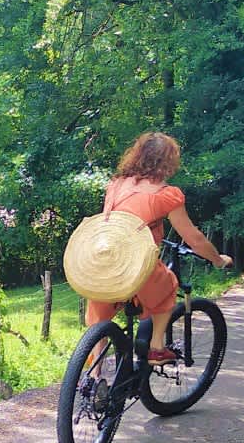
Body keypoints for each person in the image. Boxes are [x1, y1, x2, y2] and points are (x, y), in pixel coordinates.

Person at [86, 132, 232, 363]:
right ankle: (156, 348)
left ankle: (94, 375)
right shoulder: (166, 195)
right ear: (168, 162)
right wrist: (218, 260)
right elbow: (194, 239)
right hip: (136, 265)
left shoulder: (115, 185)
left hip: (103, 260)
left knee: (100, 318)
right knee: (168, 285)